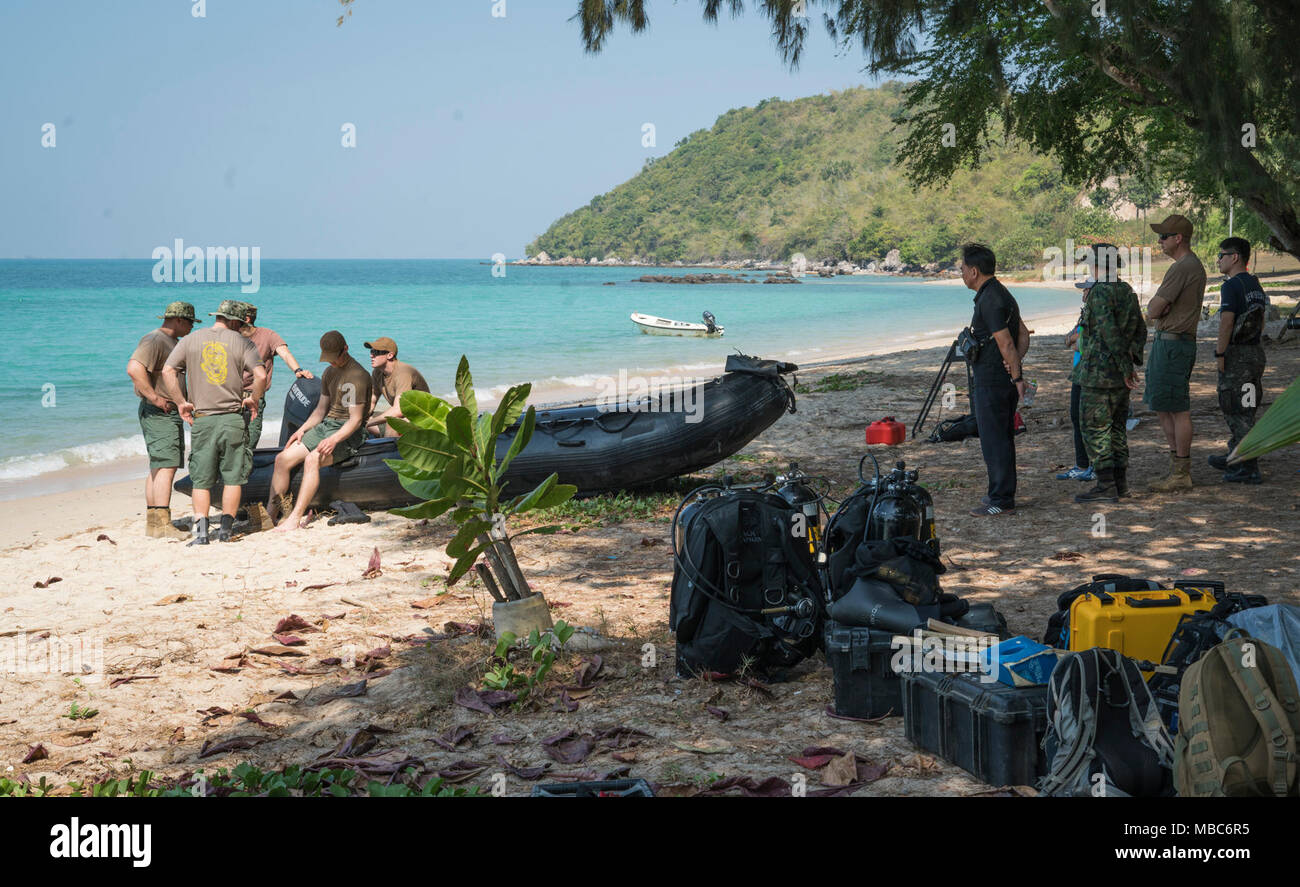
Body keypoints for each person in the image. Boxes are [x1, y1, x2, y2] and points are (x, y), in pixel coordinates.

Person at [161, 300, 266, 544]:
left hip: (203, 420)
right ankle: (226, 532)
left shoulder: (190, 340)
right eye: (239, 324)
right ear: (233, 321)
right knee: (233, 477)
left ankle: (201, 535)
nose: (240, 329)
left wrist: (180, 402)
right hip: (232, 419)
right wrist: (254, 399)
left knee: (201, 479)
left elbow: (168, 371)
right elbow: (260, 375)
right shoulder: (243, 342)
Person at [268, 330, 372, 531]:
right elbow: (320, 410)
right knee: (282, 459)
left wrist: (333, 440)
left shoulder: (358, 375)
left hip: (348, 432)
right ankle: (272, 514)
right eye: (329, 360)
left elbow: (356, 420)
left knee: (312, 459)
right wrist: (303, 429)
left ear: (345, 350)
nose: (332, 363)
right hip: (327, 425)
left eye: (335, 358)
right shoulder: (329, 373)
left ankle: (295, 518)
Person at [1071, 245, 1148, 502]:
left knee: (1094, 428)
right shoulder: (1126, 291)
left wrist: (1126, 367)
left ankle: (1106, 484)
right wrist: (1131, 360)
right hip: (1118, 373)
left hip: (1100, 374)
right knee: (1116, 428)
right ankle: (1120, 486)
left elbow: (1109, 332)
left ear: (1098, 266)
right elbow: (1141, 330)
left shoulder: (1099, 292)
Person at [960, 243, 1028, 516]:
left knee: (995, 440)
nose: (961, 273)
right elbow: (1023, 334)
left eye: (962, 269)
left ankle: (1001, 499)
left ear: (974, 271)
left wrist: (1016, 374)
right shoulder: (1002, 294)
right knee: (1000, 437)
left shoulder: (990, 299)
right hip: (1000, 378)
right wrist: (1014, 365)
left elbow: (1007, 341)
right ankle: (999, 494)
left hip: (993, 381)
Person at [232, 302, 314, 528]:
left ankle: (244, 503)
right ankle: (234, 501)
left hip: (253, 398)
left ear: (246, 319)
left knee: (247, 447)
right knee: (231, 448)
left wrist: (298, 371)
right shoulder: (229, 337)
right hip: (228, 398)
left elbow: (284, 353)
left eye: (233, 318)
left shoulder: (267, 335)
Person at [1144, 214, 1207, 492]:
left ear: (1178, 238)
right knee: (1162, 404)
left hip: (1173, 343)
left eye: (1164, 236)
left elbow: (1153, 310)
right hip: (1169, 341)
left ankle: (1182, 470)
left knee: (1177, 407)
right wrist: (1158, 309)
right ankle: (1176, 468)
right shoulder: (1187, 266)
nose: (1160, 241)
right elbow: (1157, 309)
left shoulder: (1183, 267)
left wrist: (1157, 310)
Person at [126, 301, 199, 539]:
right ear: (178, 320)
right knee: (166, 467)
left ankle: (155, 523)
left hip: (166, 411)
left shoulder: (171, 342)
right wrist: (156, 398)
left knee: (159, 467)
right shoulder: (155, 340)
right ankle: (164, 523)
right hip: (160, 412)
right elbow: (134, 369)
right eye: (189, 322)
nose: (191, 327)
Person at [1210, 237, 1269, 483]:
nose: (1219, 260)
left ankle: (1247, 465)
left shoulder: (1231, 286)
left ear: (1235, 257)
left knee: (1235, 406)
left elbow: (1227, 322)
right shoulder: (1254, 284)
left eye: (1222, 255)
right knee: (1248, 405)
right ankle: (1237, 453)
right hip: (1254, 353)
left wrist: (1221, 353)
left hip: (1238, 356)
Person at [1057, 278, 1096, 482]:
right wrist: (1075, 340)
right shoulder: (1084, 313)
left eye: (1086, 290)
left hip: (1091, 372)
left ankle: (1096, 466)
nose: (1083, 295)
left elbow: (1084, 343)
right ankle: (1082, 464)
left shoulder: (1098, 313)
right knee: (1076, 416)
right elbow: (1069, 339)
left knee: (1091, 419)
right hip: (1078, 371)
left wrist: (1076, 340)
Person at [364, 336, 430, 437]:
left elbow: (398, 410)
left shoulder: (403, 372)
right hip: (404, 417)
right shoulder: (377, 372)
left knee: (392, 424)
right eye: (371, 351)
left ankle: (390, 450)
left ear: (390, 355)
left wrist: (370, 423)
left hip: (423, 418)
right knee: (361, 420)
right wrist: (361, 418)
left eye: (376, 352)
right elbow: (372, 399)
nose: (371, 355)